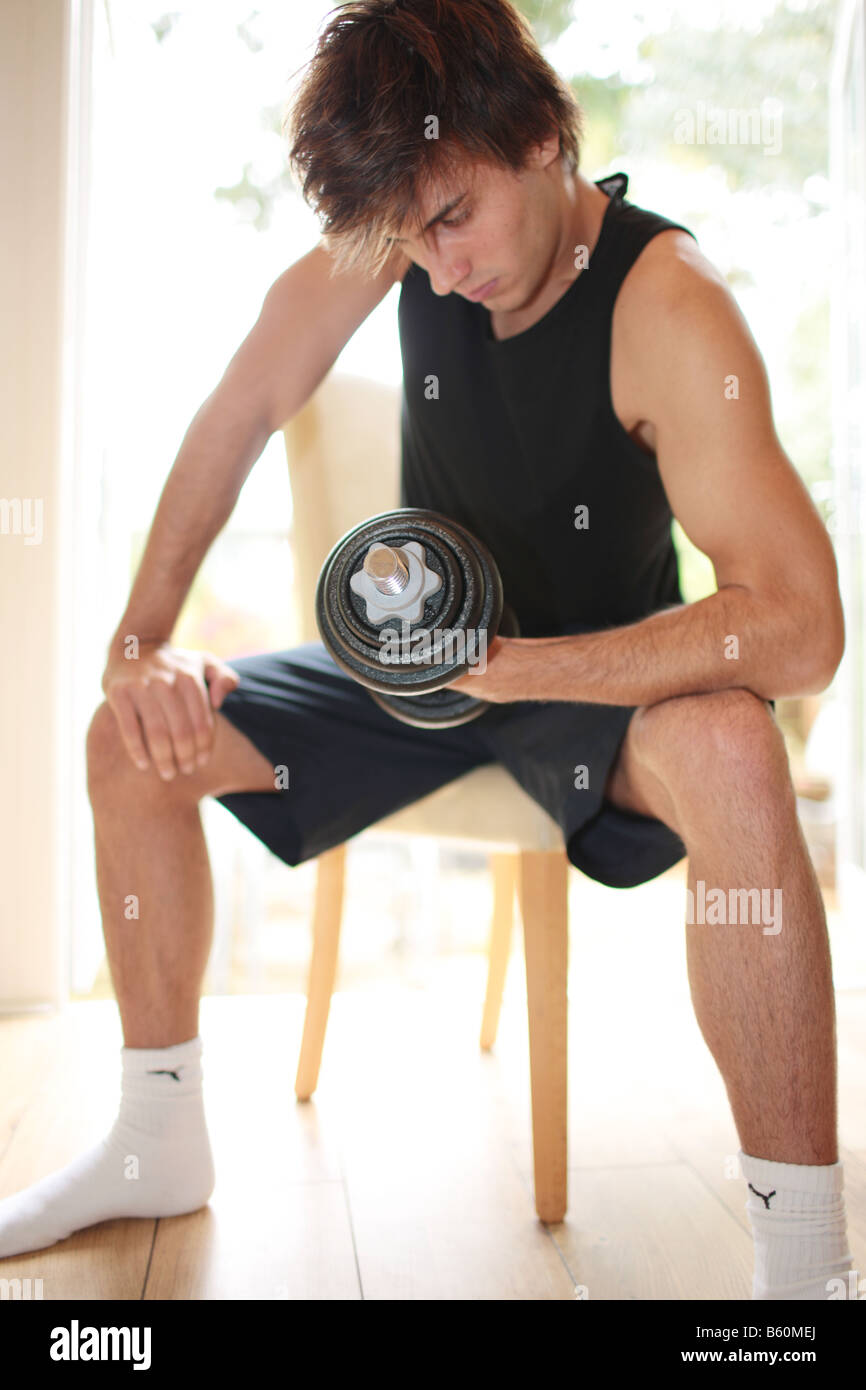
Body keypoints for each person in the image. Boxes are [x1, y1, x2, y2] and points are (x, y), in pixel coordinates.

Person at [0, 0, 853, 1301]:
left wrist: (533, 668)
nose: (436, 269)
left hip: (603, 687)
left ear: (540, 131)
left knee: (736, 743)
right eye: (406, 238)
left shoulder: (668, 306)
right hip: (417, 669)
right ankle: (155, 1136)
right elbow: (239, 408)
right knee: (129, 739)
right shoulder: (404, 241)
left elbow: (799, 626)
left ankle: (803, 1273)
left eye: (451, 217)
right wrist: (138, 645)